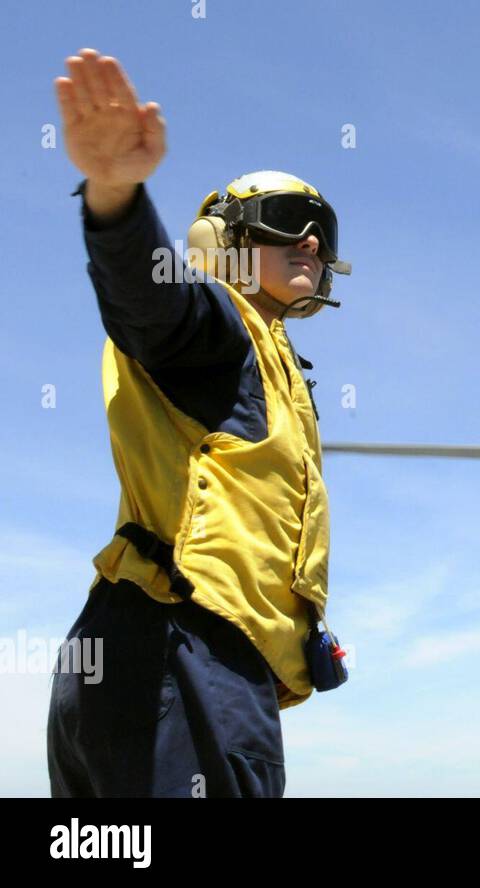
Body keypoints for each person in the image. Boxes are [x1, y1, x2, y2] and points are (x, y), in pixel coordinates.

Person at [46, 48, 350, 797]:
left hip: (132, 660)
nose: (310, 240)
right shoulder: (220, 330)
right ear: (228, 243)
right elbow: (150, 301)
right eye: (287, 222)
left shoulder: (271, 362)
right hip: (183, 658)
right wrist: (115, 197)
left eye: (323, 228)